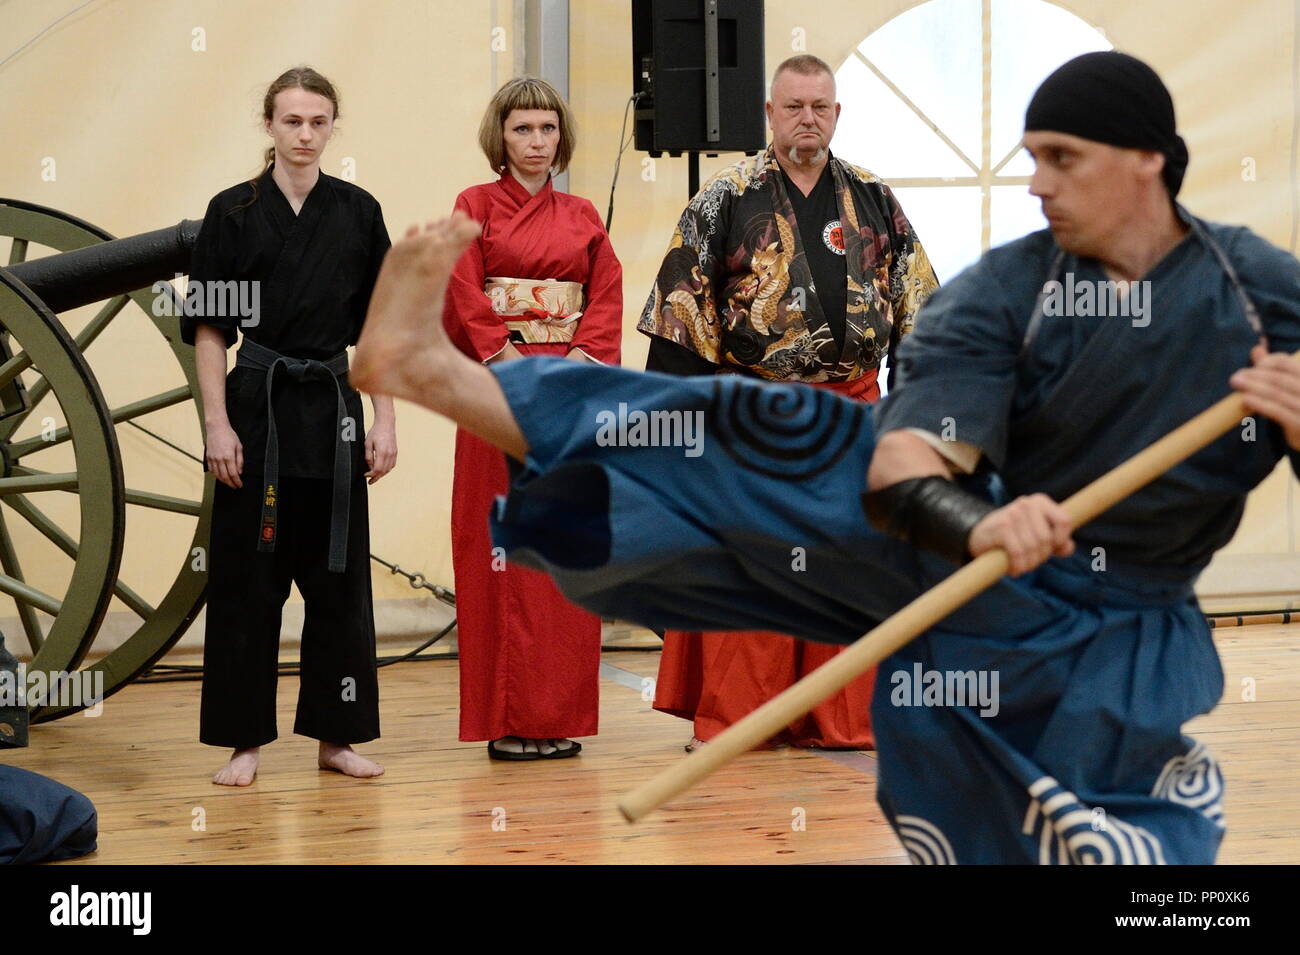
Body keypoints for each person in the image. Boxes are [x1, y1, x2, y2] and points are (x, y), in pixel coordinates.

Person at [351, 52, 1300, 863]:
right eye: (1032, 159)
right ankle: (432, 372)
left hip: (1125, 613)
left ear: (1146, 161)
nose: (1035, 183)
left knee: (1133, 849)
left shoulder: (1257, 292)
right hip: (955, 529)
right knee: (732, 429)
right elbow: (905, 463)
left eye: (1061, 158)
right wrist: (984, 520)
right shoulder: (1004, 291)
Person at [641, 54, 937, 752]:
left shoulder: (873, 197)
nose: (809, 118)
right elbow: (684, 316)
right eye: (794, 105)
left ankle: (842, 716)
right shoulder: (725, 197)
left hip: (855, 411)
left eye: (821, 106)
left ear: (838, 114)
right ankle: (742, 715)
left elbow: (920, 310)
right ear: (770, 113)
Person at [183, 66, 394, 786]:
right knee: (249, 579)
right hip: (257, 403)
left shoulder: (358, 213)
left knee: (337, 578)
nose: (305, 135)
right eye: (292, 121)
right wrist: (217, 423)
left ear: (333, 125)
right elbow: (211, 329)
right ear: (268, 126)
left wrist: (385, 419)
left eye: (318, 121)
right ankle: (244, 742)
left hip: (334, 405)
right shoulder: (232, 213)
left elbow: (380, 329)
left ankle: (336, 738)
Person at [442, 77, 621, 761]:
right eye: (523, 129)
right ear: (501, 136)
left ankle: (556, 713)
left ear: (561, 137)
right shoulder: (474, 206)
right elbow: (462, 288)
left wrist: (574, 359)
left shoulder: (582, 217)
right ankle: (508, 716)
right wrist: (509, 357)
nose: (537, 142)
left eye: (547, 129)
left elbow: (604, 295)